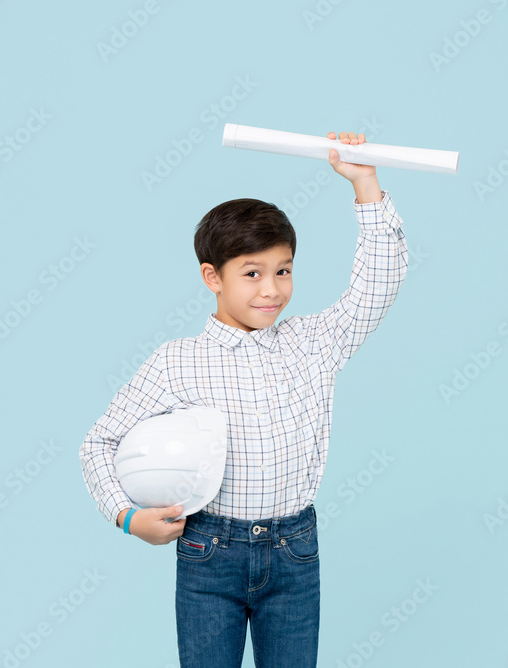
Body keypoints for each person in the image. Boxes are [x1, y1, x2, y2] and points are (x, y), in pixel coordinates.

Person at [79, 130, 409, 667]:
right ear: (212, 277)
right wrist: (126, 516)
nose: (271, 289)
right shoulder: (178, 361)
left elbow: (378, 284)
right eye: (251, 274)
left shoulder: (313, 343)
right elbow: (99, 443)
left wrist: (365, 183)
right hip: (209, 553)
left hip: (294, 551)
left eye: (283, 271)